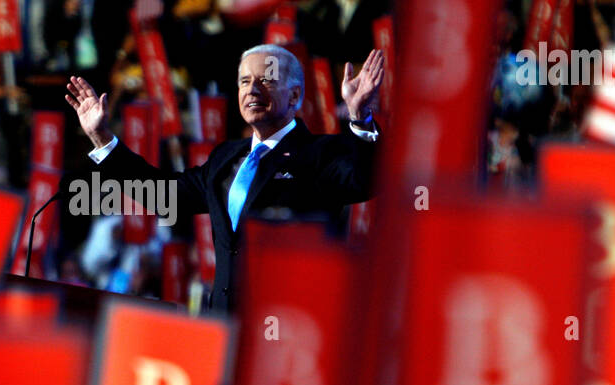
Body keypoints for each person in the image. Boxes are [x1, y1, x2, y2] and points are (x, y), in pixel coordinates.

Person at [64, 44, 383, 312]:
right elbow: (163, 196)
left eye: (267, 80)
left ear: (295, 94)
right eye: (245, 81)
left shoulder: (320, 152)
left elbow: (365, 180)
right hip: (224, 323)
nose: (253, 90)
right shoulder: (225, 157)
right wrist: (102, 138)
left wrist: (361, 118)